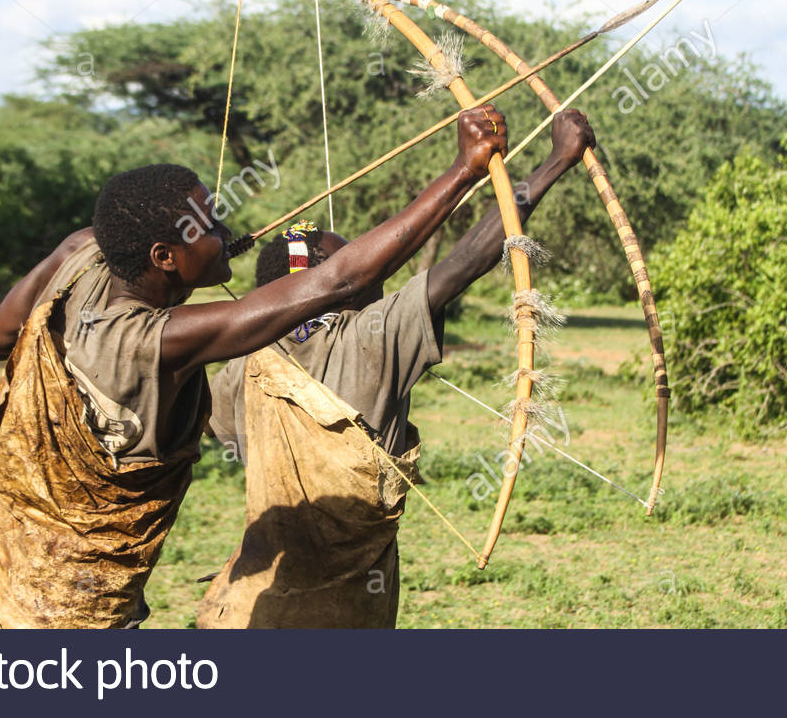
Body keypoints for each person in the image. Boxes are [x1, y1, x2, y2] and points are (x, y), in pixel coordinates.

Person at [0, 105, 509, 628]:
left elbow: (0, 338)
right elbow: (340, 280)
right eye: (207, 226)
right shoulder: (154, 340)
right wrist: (463, 170)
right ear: (164, 257)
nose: (222, 233)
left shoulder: (83, 252)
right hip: (59, 616)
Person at [197, 108, 596, 629]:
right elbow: (469, 257)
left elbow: (210, 423)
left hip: (245, 609)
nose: (374, 274)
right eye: (355, 267)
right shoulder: (369, 336)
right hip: (339, 618)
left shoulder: (245, 364)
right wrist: (555, 161)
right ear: (326, 285)